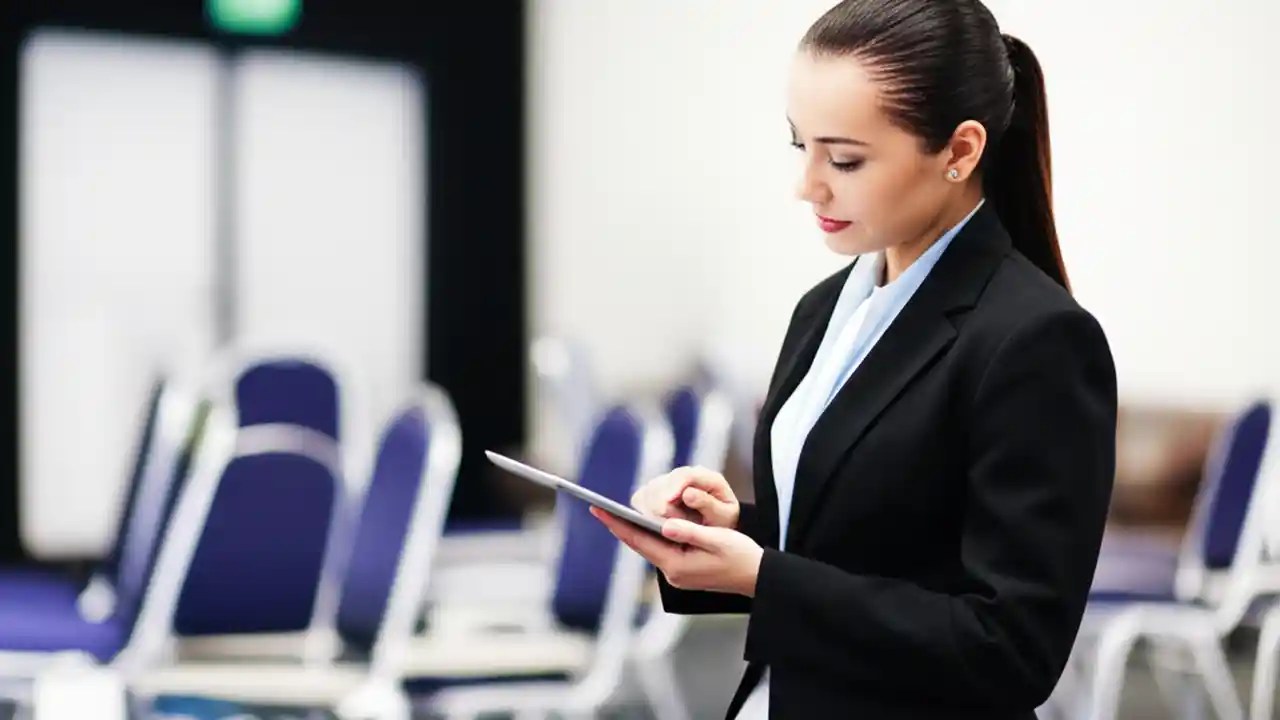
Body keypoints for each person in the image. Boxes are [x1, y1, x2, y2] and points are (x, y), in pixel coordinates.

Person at [589, 1, 1118, 717]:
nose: (808, 186)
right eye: (800, 146)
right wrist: (728, 534)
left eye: (844, 159)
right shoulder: (823, 310)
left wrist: (764, 577)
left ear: (960, 152)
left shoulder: (1037, 340)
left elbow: (1010, 648)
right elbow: (860, 544)